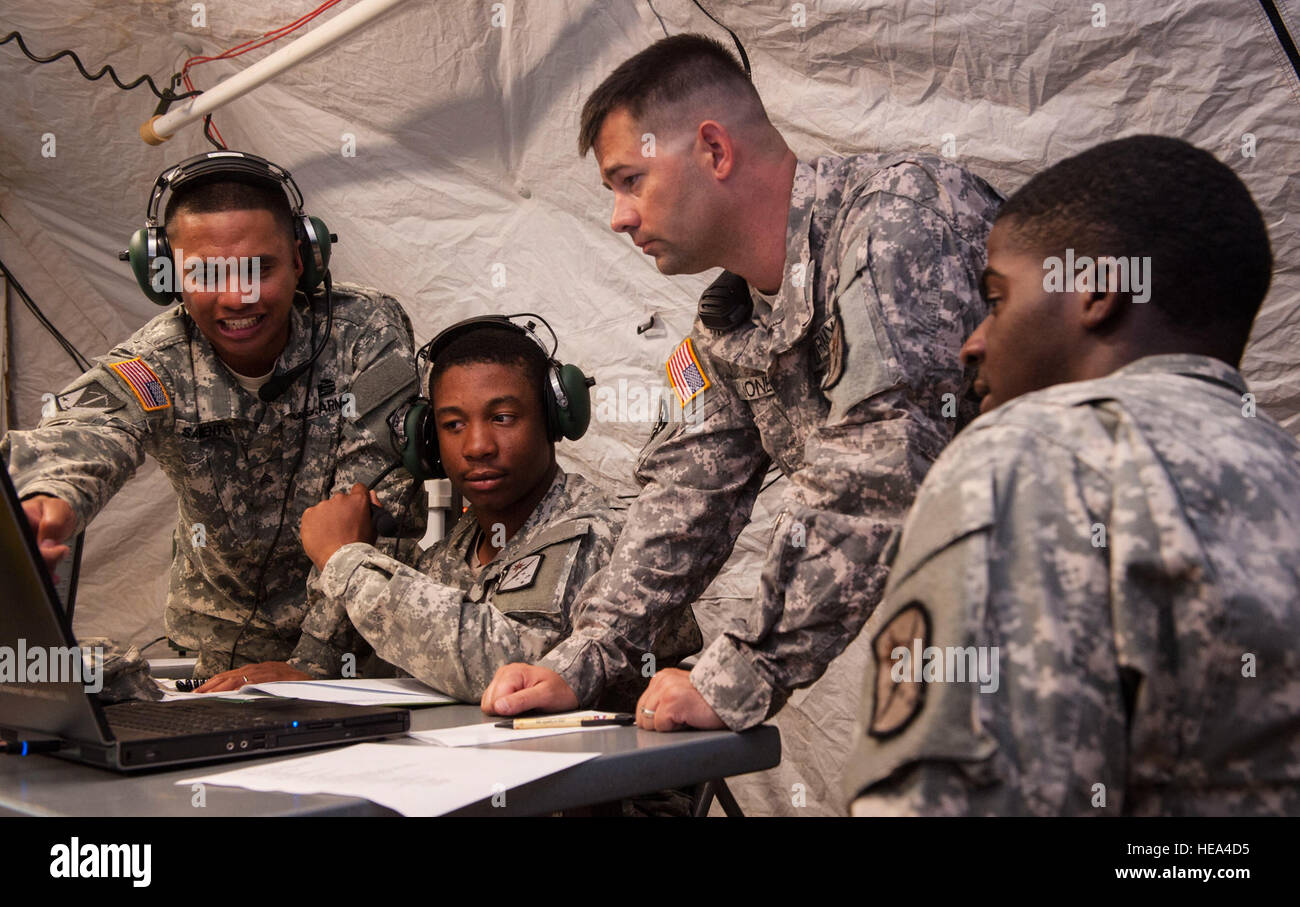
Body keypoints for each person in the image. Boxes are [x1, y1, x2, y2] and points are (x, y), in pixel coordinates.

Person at [481, 34, 1002, 737]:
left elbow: (879, 470)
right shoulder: (731, 326)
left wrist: (737, 676)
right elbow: (680, 500)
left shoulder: (894, 222)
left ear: (715, 151)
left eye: (630, 180)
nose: (618, 217)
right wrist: (582, 658)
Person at [845, 135, 1300, 816]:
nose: (973, 341)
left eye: (996, 299)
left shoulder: (1032, 451)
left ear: (1098, 290)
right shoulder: (1282, 468)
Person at [2, 151, 420, 685]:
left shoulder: (363, 331)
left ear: (302, 259)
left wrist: (312, 664)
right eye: (205, 274)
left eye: (259, 268)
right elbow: (89, 429)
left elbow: (374, 505)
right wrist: (46, 497)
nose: (236, 297)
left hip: (364, 658)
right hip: (225, 661)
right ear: (166, 275)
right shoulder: (157, 361)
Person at [290, 319, 699, 703]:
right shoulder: (450, 554)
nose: (477, 445)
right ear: (428, 440)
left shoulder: (601, 533)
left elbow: (509, 669)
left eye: (502, 418)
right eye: (453, 425)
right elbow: (398, 670)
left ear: (554, 419)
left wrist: (346, 562)